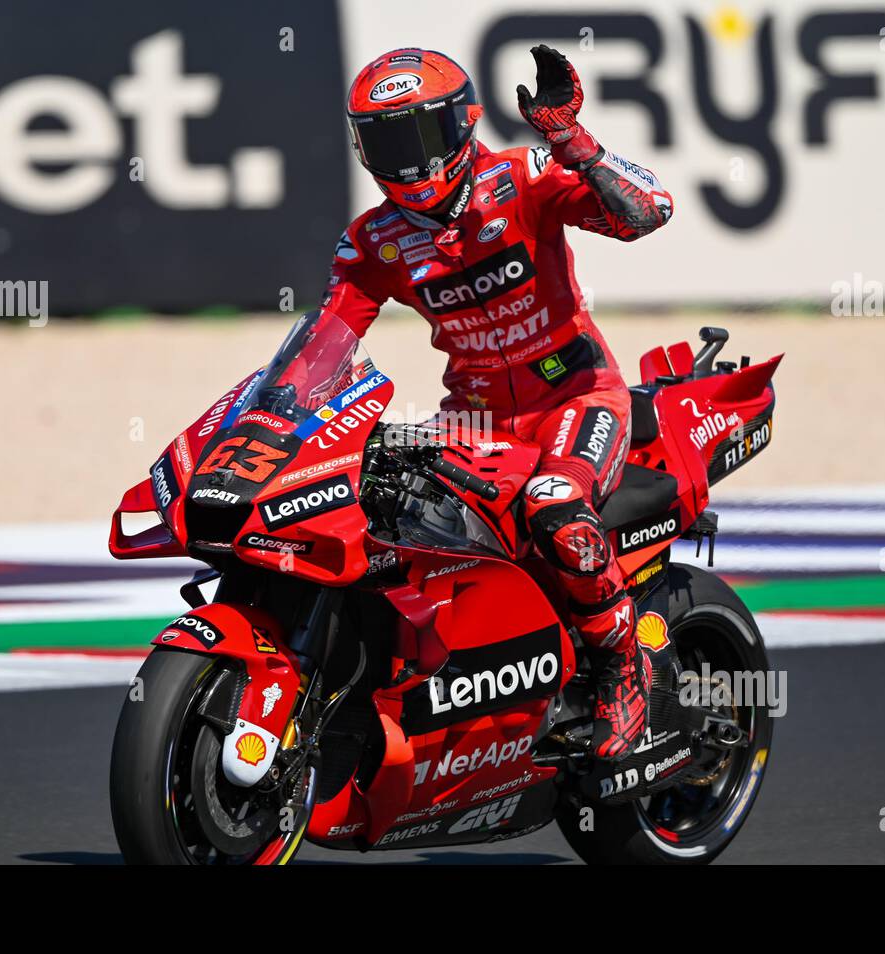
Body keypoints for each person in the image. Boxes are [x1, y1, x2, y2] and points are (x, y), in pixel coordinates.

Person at [321, 45, 673, 762]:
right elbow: (322, 343)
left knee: (551, 500)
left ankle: (621, 670)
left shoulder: (524, 178)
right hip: (475, 419)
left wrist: (575, 144)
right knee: (371, 470)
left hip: (580, 398)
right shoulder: (375, 240)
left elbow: (650, 214)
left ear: (462, 125)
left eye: (419, 137)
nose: (408, 162)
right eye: (387, 142)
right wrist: (285, 409)